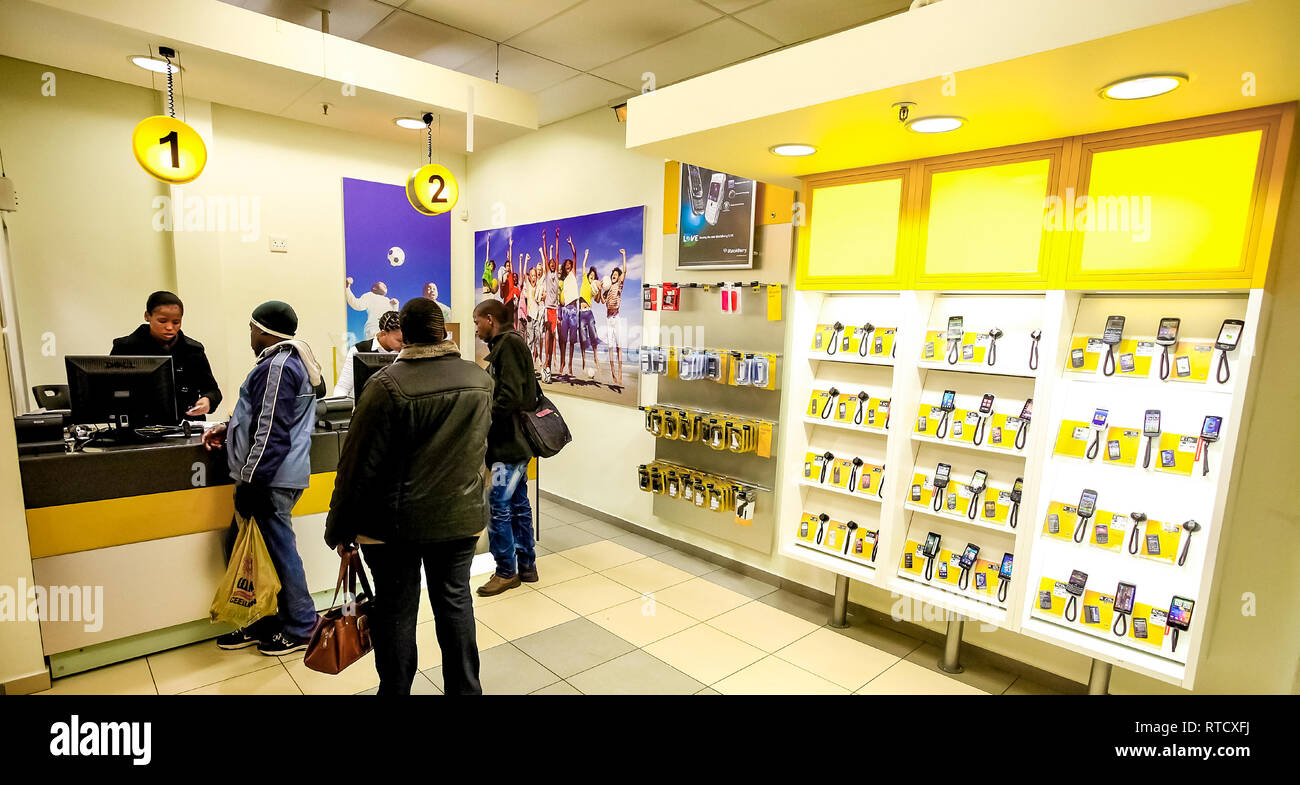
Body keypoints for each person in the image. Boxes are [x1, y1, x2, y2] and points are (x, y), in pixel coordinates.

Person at [325, 298, 490, 695]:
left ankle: (396, 691)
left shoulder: (385, 385)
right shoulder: (479, 378)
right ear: (443, 332)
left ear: (406, 336)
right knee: (454, 604)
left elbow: (356, 464)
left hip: (393, 526)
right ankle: (466, 690)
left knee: (397, 609)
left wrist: (339, 524)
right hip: (459, 518)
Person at [205, 301, 324, 656]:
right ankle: (263, 620)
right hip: (269, 476)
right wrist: (228, 430)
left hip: (269, 479)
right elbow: (261, 416)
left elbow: (272, 429)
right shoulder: (288, 363)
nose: (251, 336)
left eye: (252, 329)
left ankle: (302, 626)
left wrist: (253, 483)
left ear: (263, 330)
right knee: (249, 550)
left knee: (278, 552)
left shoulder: (279, 365)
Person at [474, 298, 539, 597]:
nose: (477, 329)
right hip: (516, 443)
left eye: (478, 322)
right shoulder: (511, 343)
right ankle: (527, 565)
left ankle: (505, 571)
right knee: (518, 503)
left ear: (491, 319)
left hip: (508, 445)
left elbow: (509, 396)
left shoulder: (508, 345)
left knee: (497, 505)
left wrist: (482, 418)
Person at [111, 290, 222, 420]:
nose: (169, 327)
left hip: (186, 426)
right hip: (140, 428)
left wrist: (207, 400)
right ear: (147, 316)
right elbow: (107, 390)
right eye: (162, 321)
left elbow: (213, 390)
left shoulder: (193, 350)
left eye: (176, 322)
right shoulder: (126, 347)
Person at [331, 311, 402, 398]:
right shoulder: (358, 350)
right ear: (383, 333)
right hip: (366, 407)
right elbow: (343, 387)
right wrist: (340, 408)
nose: (404, 344)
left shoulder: (406, 351)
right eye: (399, 340)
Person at [604, 252, 628, 387]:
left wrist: (624, 256)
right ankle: (613, 372)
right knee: (610, 347)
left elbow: (624, 271)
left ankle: (620, 372)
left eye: (616, 274)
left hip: (616, 317)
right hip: (608, 319)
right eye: (613, 273)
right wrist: (600, 290)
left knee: (619, 346)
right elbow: (601, 301)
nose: (614, 275)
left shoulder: (619, 286)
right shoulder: (607, 289)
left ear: (618, 278)